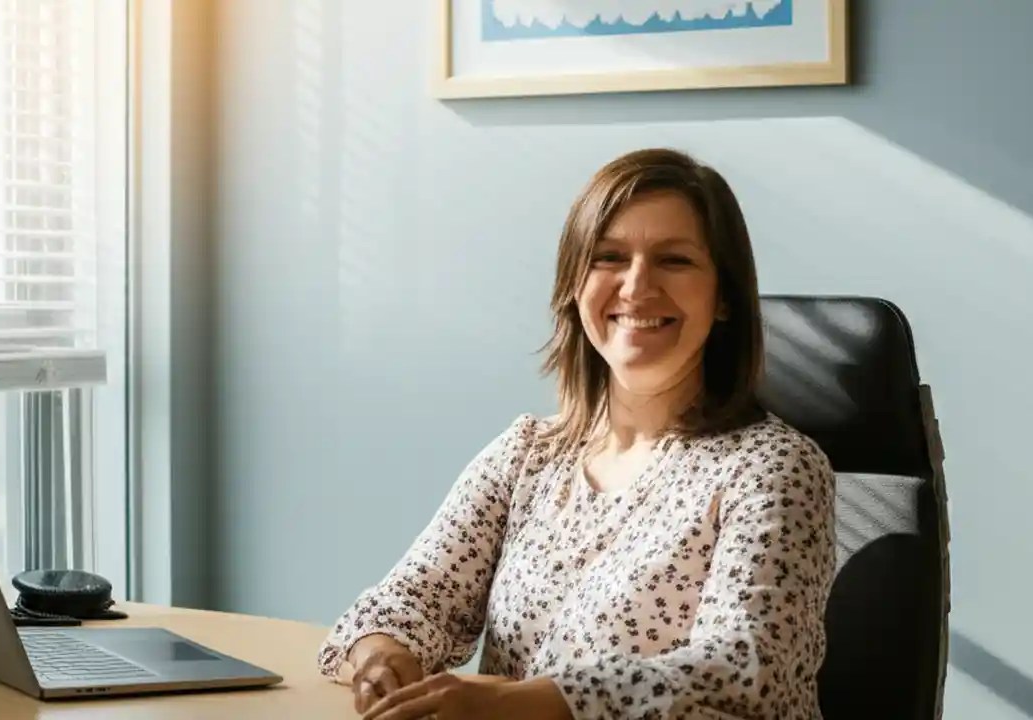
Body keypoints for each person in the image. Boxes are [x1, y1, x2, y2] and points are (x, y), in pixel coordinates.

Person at [317, 148, 837, 720]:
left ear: (725, 299)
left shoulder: (773, 467)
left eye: (675, 261)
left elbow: (747, 671)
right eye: (609, 257)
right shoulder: (528, 454)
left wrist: (526, 703)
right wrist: (383, 657)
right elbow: (406, 601)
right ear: (573, 285)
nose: (637, 286)